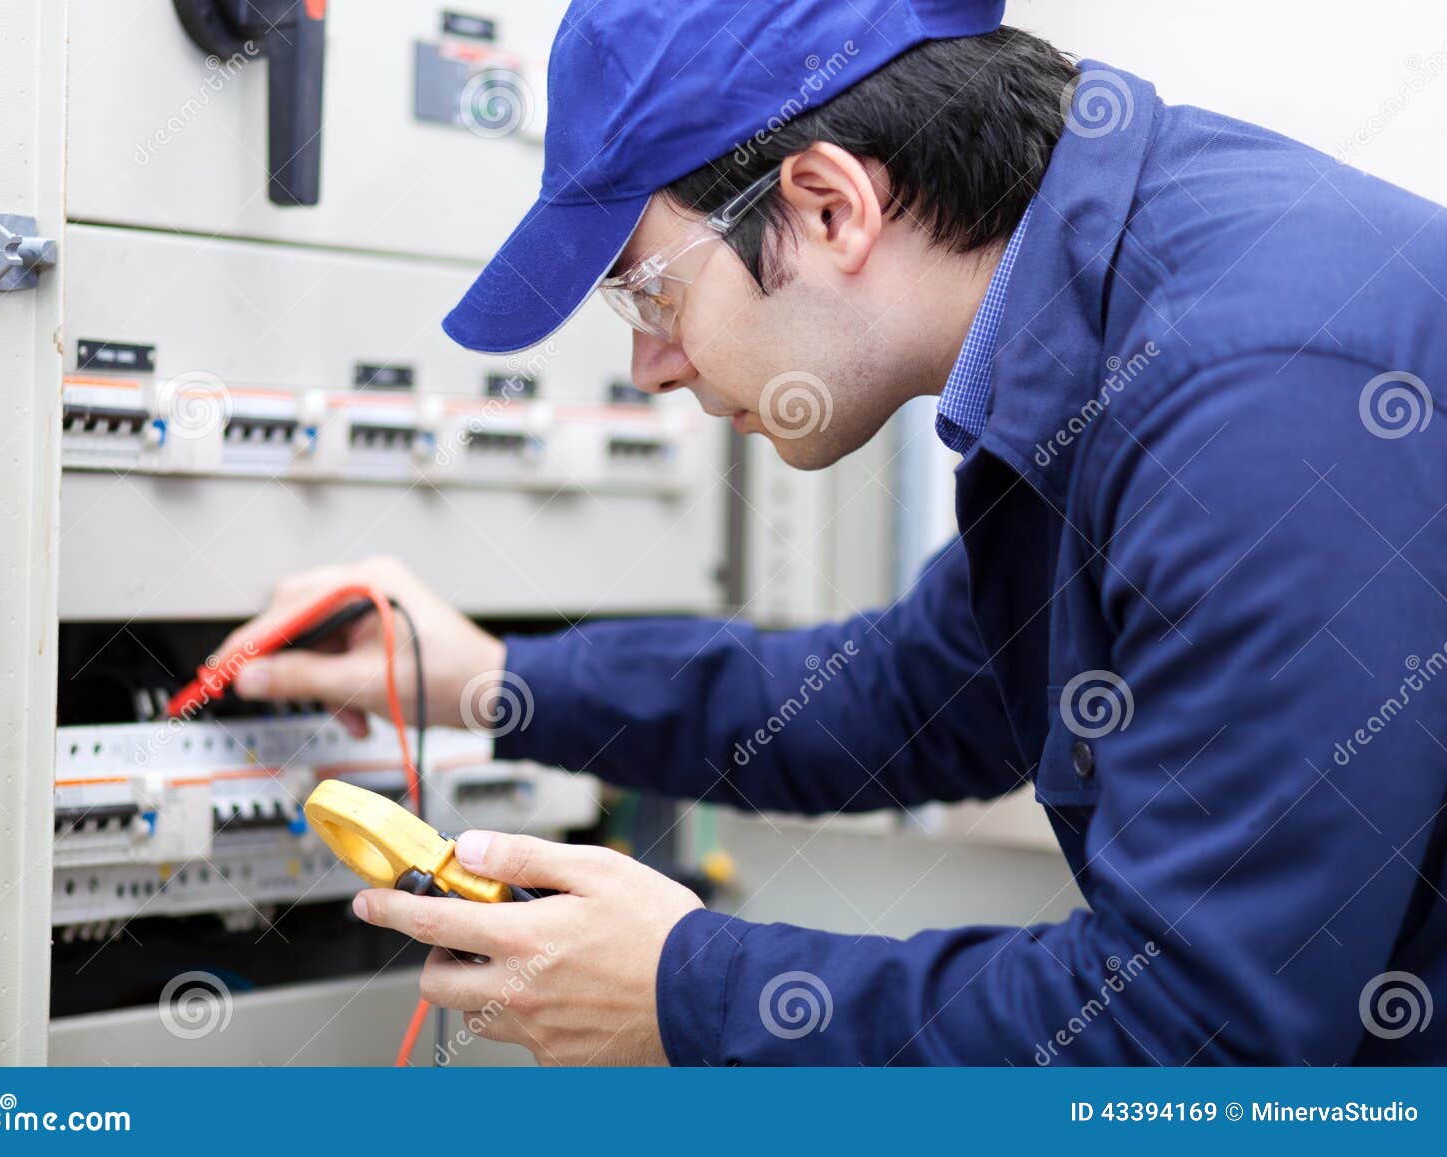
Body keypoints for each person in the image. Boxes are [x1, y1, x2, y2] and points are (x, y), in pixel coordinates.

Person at [211, 0, 1447, 1064]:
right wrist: (494, 680)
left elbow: (1190, 1040)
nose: (650, 367)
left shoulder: (1257, 395)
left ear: (826, 207)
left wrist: (686, 991)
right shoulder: (1101, 326)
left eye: (647, 292)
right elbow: (899, 697)